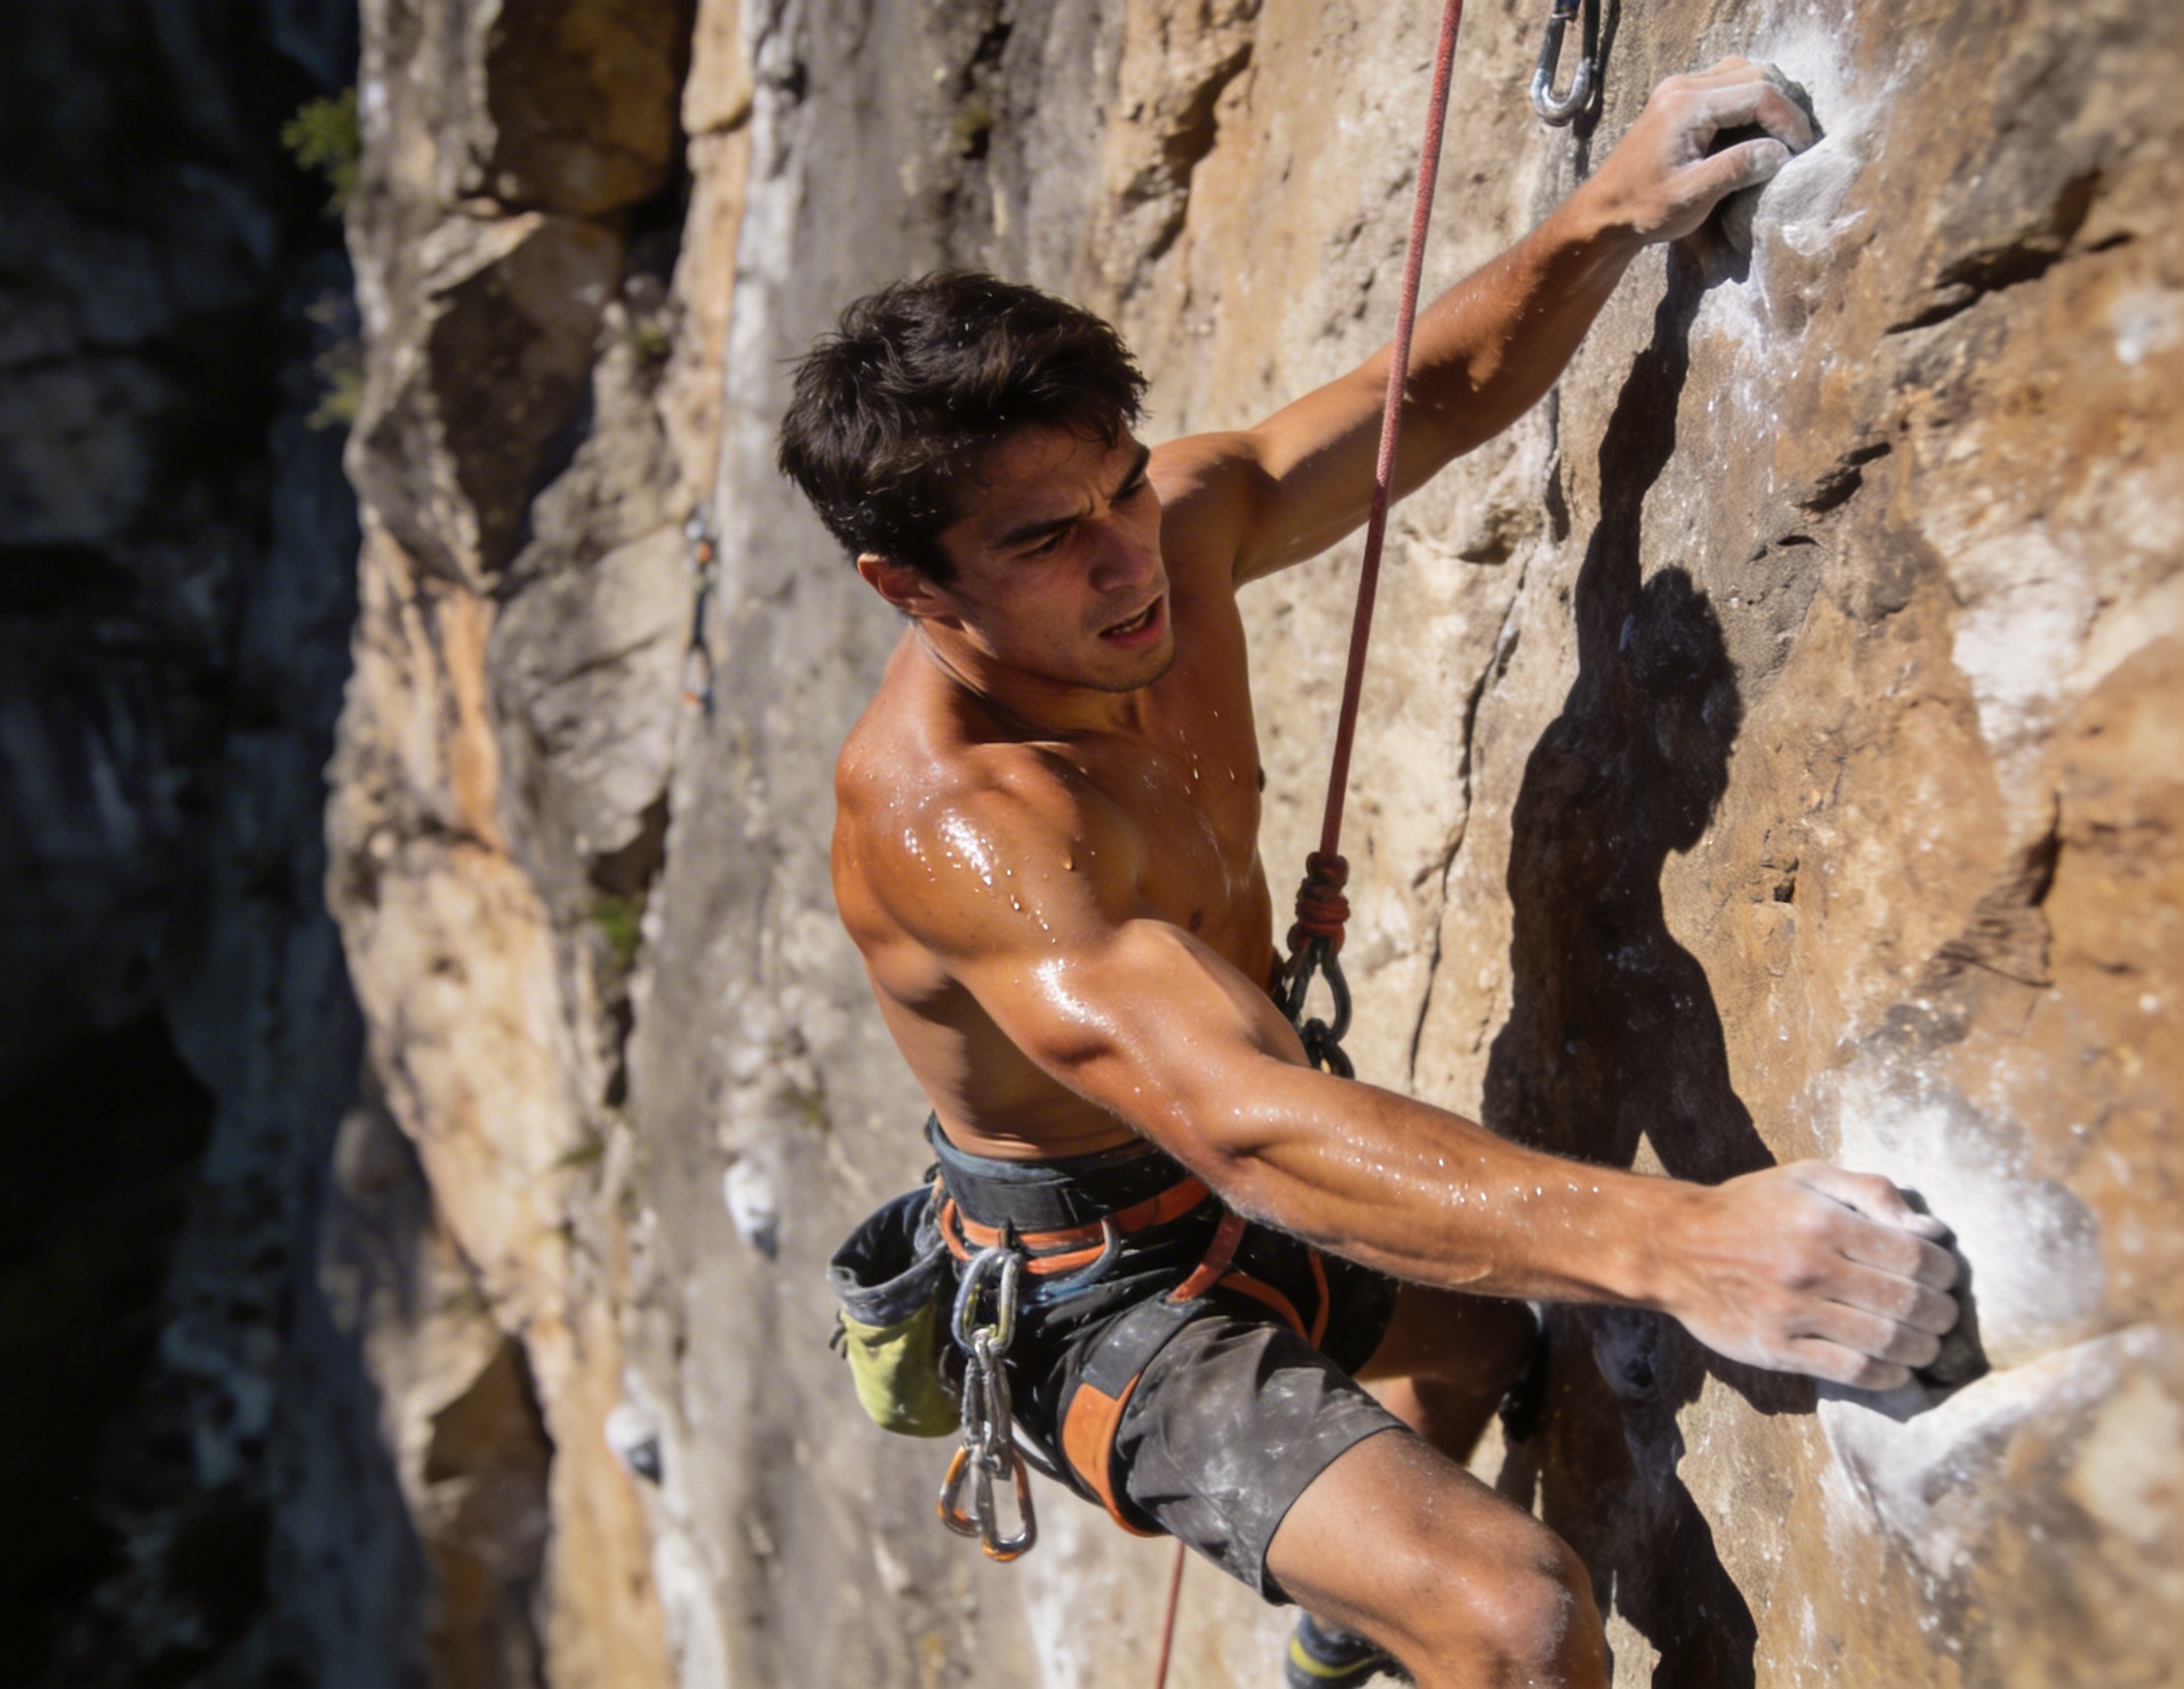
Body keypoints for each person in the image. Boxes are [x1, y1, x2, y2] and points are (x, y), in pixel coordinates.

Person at [782, 59, 1959, 1689]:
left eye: (1120, 483)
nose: (1129, 560)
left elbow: (1438, 395)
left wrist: (1614, 210)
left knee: (1478, 1336)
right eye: (1046, 541)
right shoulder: (966, 826)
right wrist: (1682, 1246)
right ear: (909, 587)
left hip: (1224, 1171)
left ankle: (1341, 1639)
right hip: (1101, 1287)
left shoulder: (1168, 535)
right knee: (1521, 1617)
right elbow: (1250, 1124)